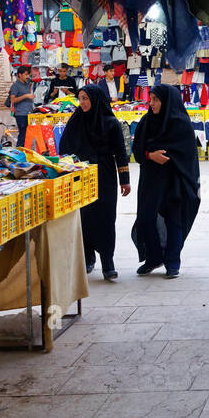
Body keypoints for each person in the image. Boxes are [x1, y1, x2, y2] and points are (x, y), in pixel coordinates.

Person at [59, 85, 131, 280]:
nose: (82, 103)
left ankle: (108, 262)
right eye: (80, 98)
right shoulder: (76, 122)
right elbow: (64, 149)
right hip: (81, 175)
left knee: (106, 218)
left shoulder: (110, 123)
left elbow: (120, 152)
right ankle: (87, 258)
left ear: (96, 99)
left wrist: (124, 180)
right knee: (84, 217)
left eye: (85, 98)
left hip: (105, 174)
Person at [132, 84, 201, 278]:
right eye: (151, 99)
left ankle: (173, 262)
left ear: (167, 101)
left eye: (156, 100)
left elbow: (188, 155)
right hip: (151, 179)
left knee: (174, 221)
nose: (151, 103)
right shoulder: (146, 122)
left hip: (175, 180)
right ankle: (153, 257)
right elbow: (137, 150)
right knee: (146, 219)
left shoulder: (181, 124)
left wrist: (170, 157)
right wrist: (150, 155)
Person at [6, 65, 35, 147]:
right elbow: (13, 100)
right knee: (22, 135)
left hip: (28, 113)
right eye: (26, 74)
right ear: (20, 75)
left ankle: (25, 152)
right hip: (21, 114)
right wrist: (26, 96)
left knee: (27, 136)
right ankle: (19, 152)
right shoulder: (15, 86)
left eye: (28, 74)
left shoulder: (27, 84)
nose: (28, 76)